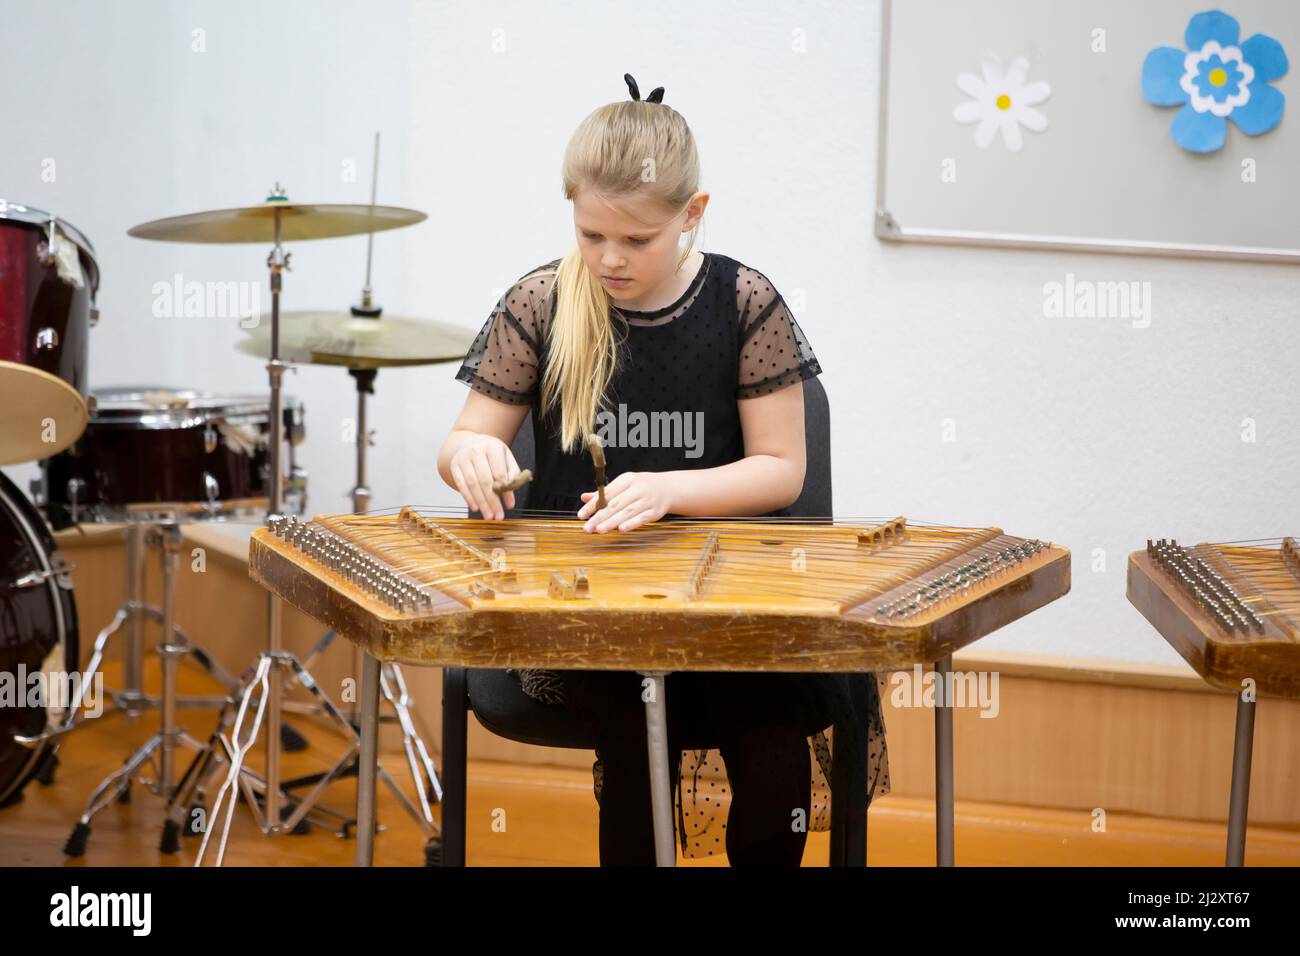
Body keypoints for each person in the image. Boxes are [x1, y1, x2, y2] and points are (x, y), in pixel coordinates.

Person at [437, 73, 889, 865]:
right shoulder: (541, 304)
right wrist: (471, 455)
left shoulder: (746, 304)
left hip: (729, 602)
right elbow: (464, 439)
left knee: (772, 736)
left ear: (693, 214)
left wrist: (670, 490)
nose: (609, 258)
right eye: (590, 234)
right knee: (631, 723)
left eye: (636, 240)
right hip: (585, 605)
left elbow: (782, 470)